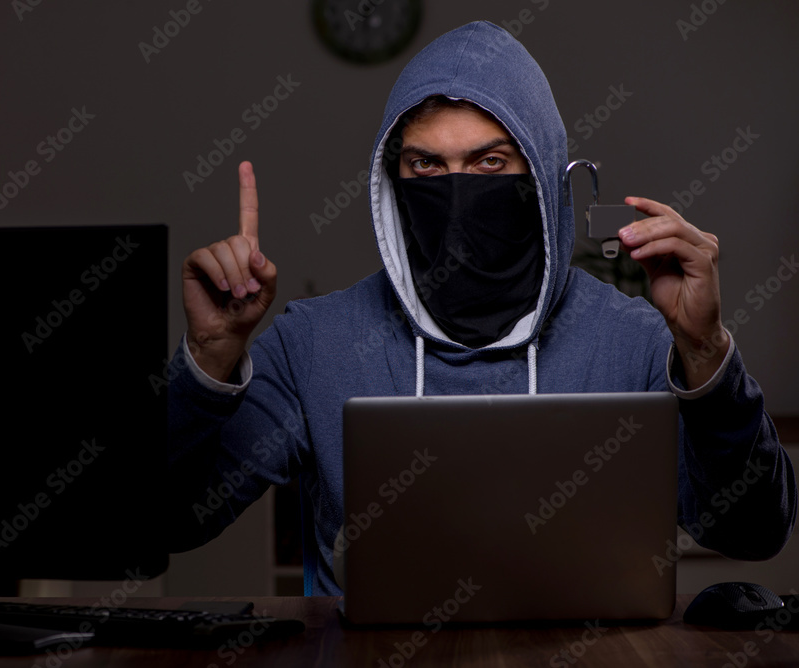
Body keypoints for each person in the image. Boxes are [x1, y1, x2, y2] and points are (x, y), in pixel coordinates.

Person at [168, 21, 797, 596]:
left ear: (546, 181)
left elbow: (754, 531)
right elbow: (160, 523)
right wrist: (209, 360)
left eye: (489, 162)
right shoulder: (314, 344)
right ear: (392, 183)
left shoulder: (632, 342)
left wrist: (706, 352)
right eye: (426, 165)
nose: (458, 192)